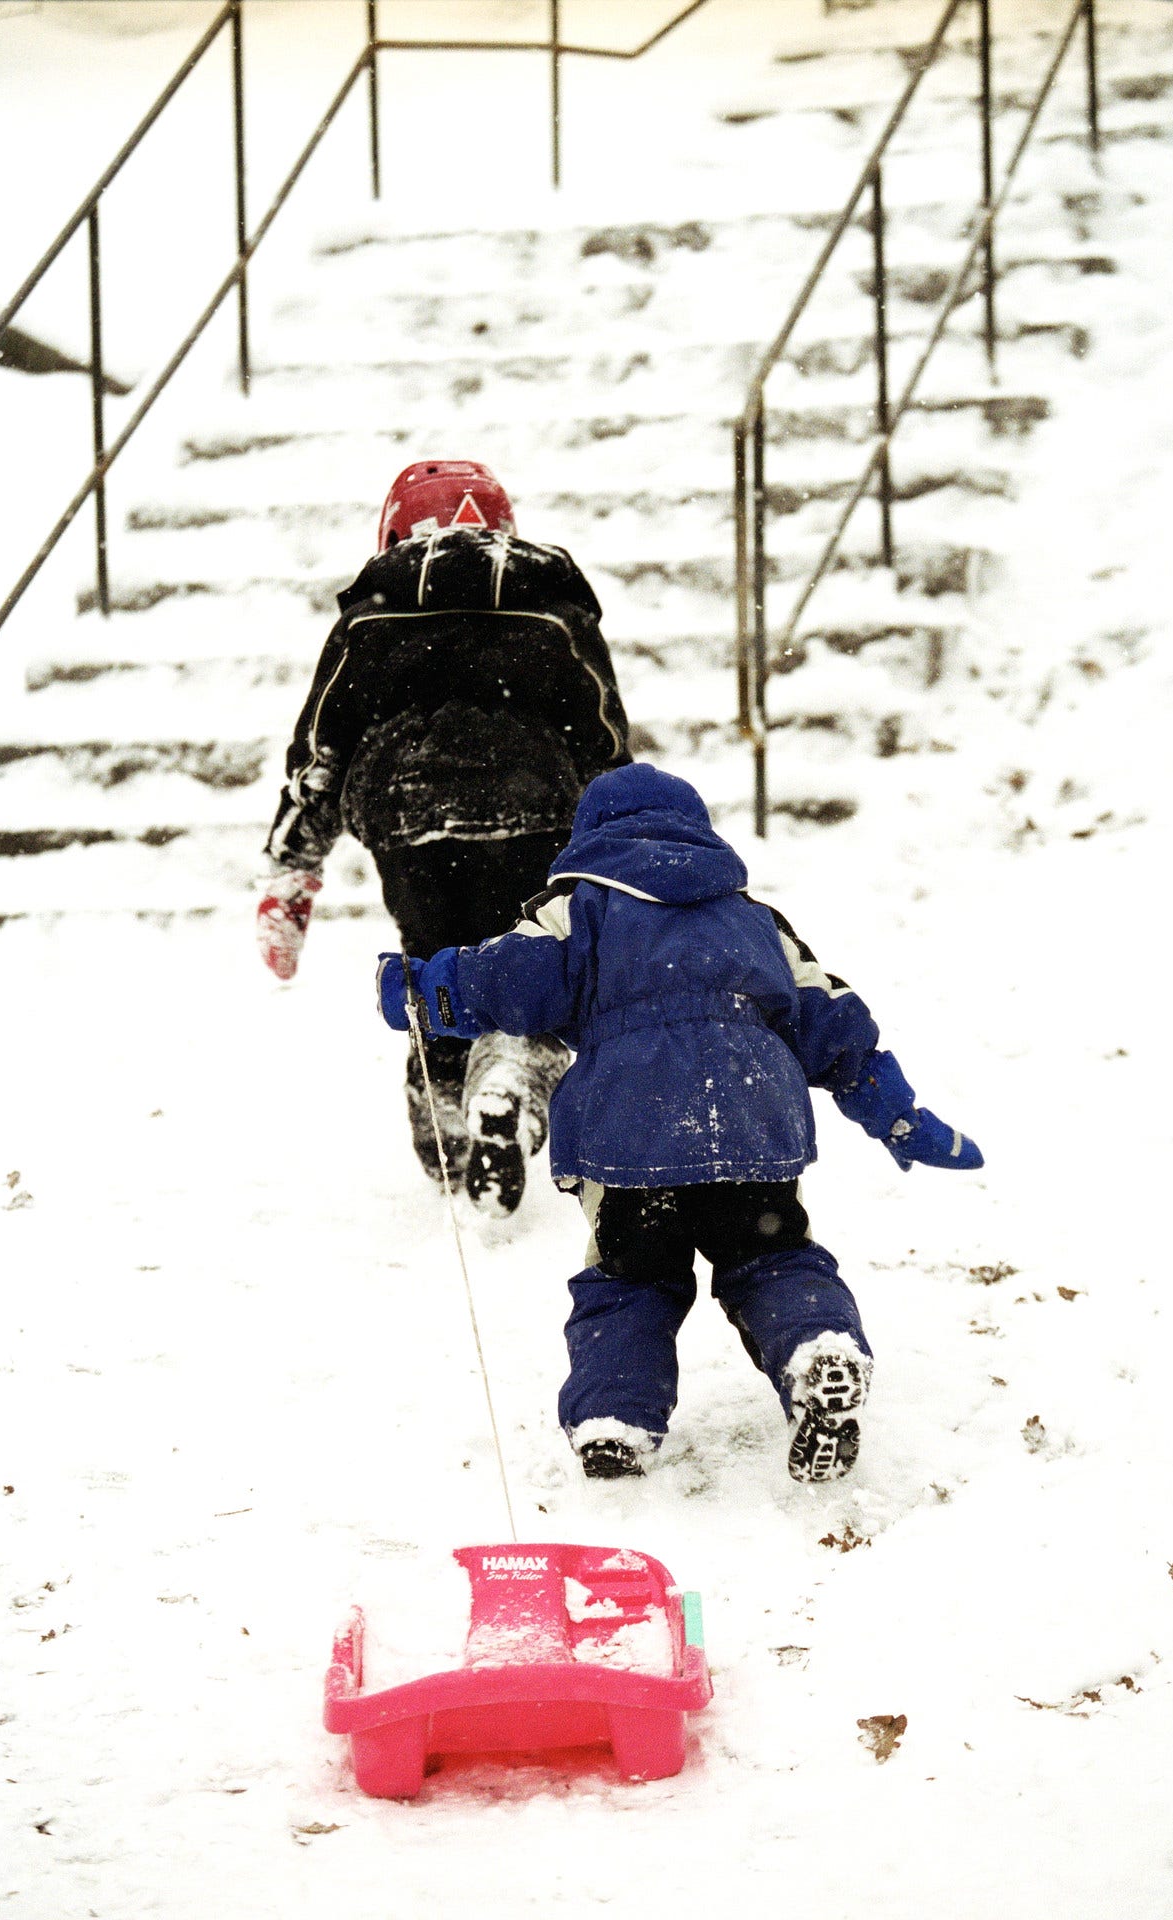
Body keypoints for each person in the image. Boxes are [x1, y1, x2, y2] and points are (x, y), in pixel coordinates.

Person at [375, 762, 984, 1483]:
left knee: (632, 1275)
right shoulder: (757, 920)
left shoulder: (578, 907)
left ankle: (615, 1418)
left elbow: (511, 979)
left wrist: (422, 989)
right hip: (752, 1116)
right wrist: (897, 1115)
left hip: (631, 1125)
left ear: (586, 836)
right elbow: (833, 1022)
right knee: (771, 1256)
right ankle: (817, 1346)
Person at [256, 460, 632, 1216]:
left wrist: (291, 875)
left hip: (406, 807)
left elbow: (321, 753)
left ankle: (446, 1121)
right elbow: (601, 737)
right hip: (532, 803)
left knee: (436, 957)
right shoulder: (550, 602)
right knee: (530, 960)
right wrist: (623, 845)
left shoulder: (371, 611)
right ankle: (515, 1080)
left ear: (397, 528)